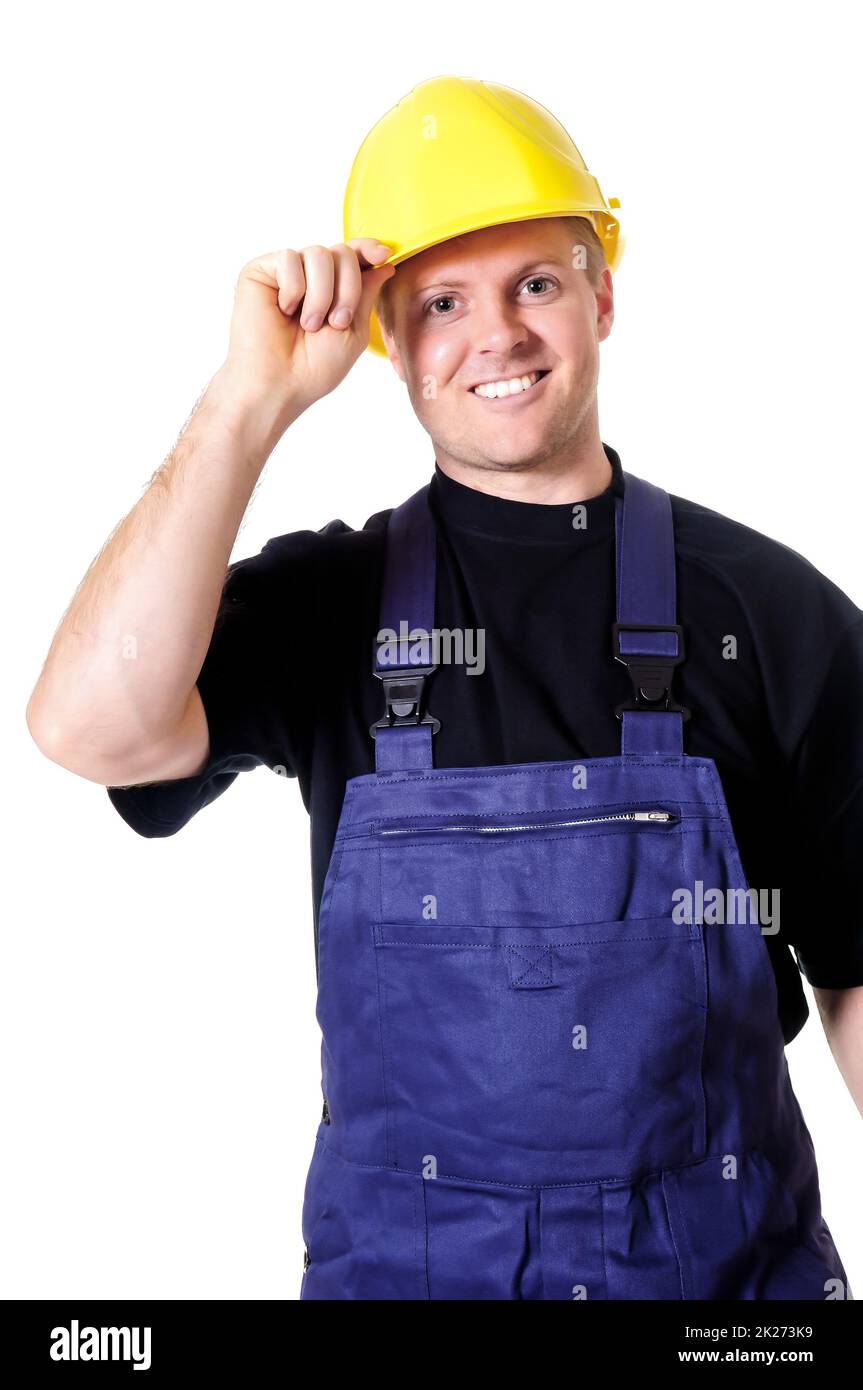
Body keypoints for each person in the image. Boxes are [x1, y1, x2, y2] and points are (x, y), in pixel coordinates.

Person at [26, 76, 862, 1301]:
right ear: (387, 341)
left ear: (602, 295)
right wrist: (247, 398)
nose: (499, 337)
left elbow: (851, 965)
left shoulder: (766, 612)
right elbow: (88, 726)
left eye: (535, 282)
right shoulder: (327, 607)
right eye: (440, 303)